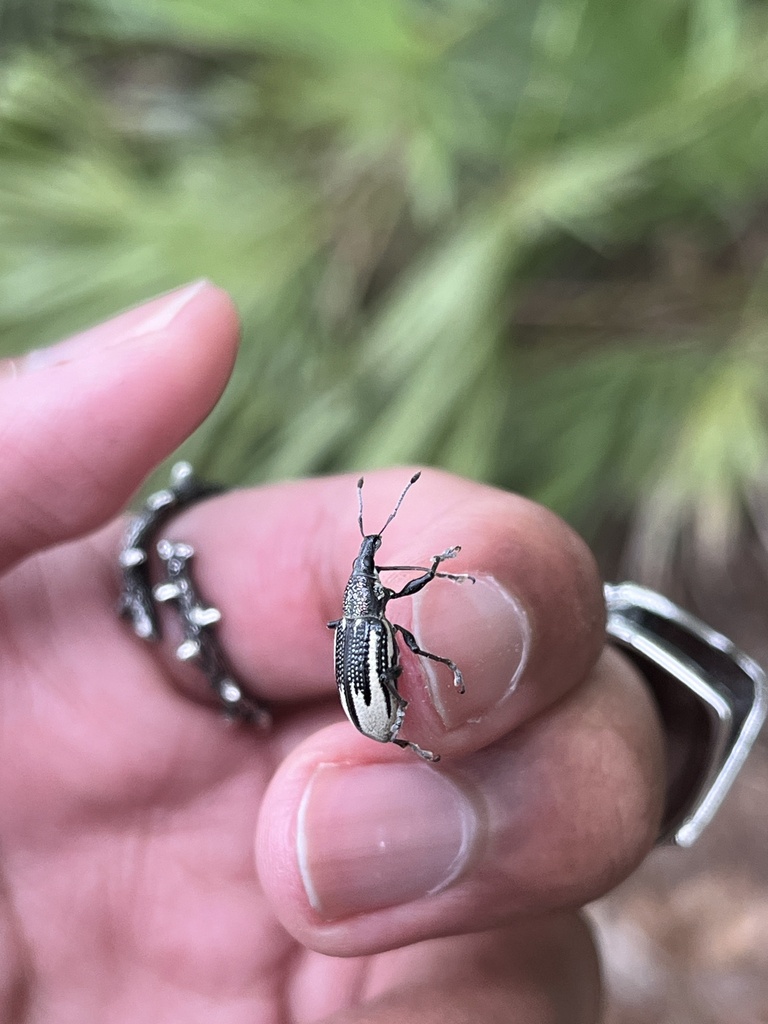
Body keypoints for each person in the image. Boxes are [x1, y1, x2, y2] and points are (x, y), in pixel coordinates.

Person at [0, 281, 665, 1022]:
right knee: (409, 644)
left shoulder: (359, 615)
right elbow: (385, 628)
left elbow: (383, 612)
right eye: (370, 564)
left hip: (367, 694)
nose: (373, 568)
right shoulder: (366, 620)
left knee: (424, 640)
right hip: (371, 694)